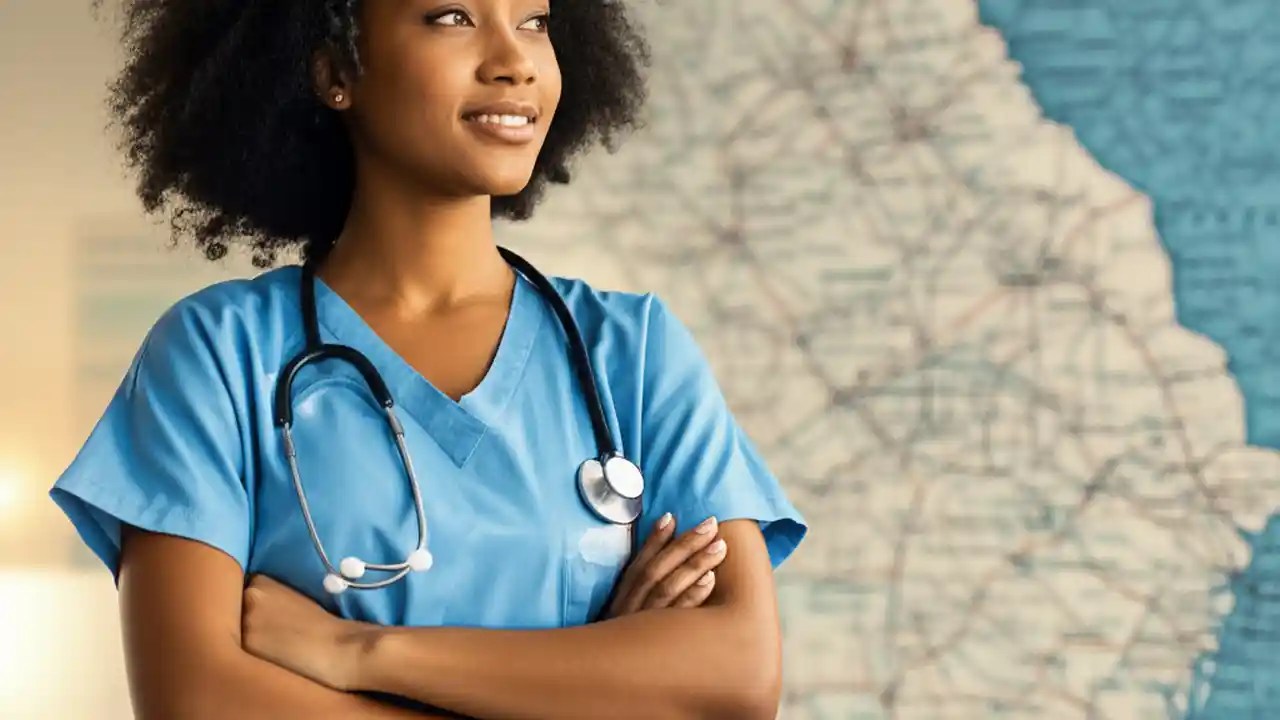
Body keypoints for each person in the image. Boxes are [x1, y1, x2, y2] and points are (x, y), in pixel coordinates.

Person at [52, 1, 808, 718]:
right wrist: (599, 687)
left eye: (535, 21)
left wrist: (360, 652)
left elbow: (737, 678)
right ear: (334, 73)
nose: (515, 61)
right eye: (452, 17)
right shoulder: (215, 355)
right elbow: (199, 702)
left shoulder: (635, 351)